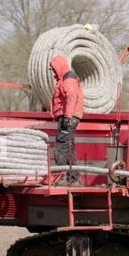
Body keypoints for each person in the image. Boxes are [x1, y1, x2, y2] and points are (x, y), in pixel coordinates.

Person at [50, 55, 84, 186]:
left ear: (59, 67)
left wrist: (67, 117)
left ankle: (61, 177)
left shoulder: (68, 80)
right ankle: (74, 178)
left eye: (53, 68)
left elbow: (71, 97)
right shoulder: (67, 79)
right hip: (70, 117)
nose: (53, 71)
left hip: (68, 117)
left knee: (61, 146)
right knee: (69, 147)